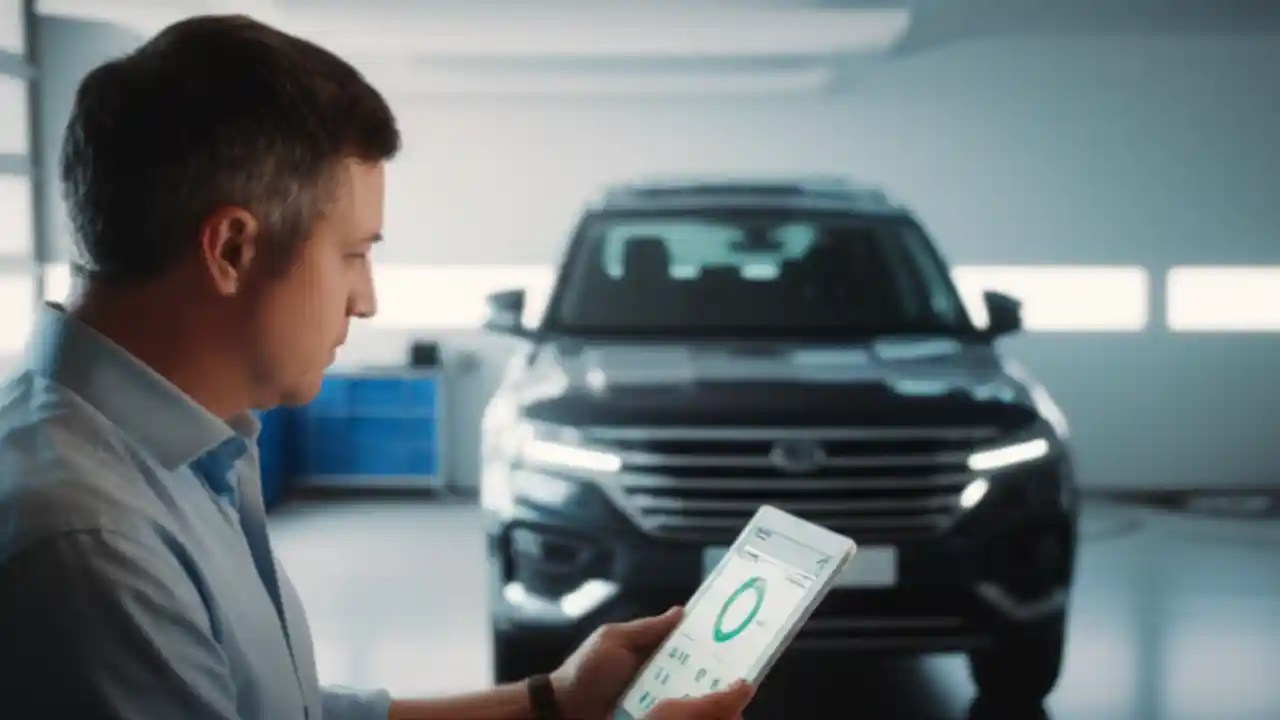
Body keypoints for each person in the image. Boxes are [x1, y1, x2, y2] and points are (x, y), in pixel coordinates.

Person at [0, 15, 754, 720]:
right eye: (354, 255)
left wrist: (553, 701)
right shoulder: (89, 538)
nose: (366, 299)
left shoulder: (170, 456)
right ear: (231, 249)